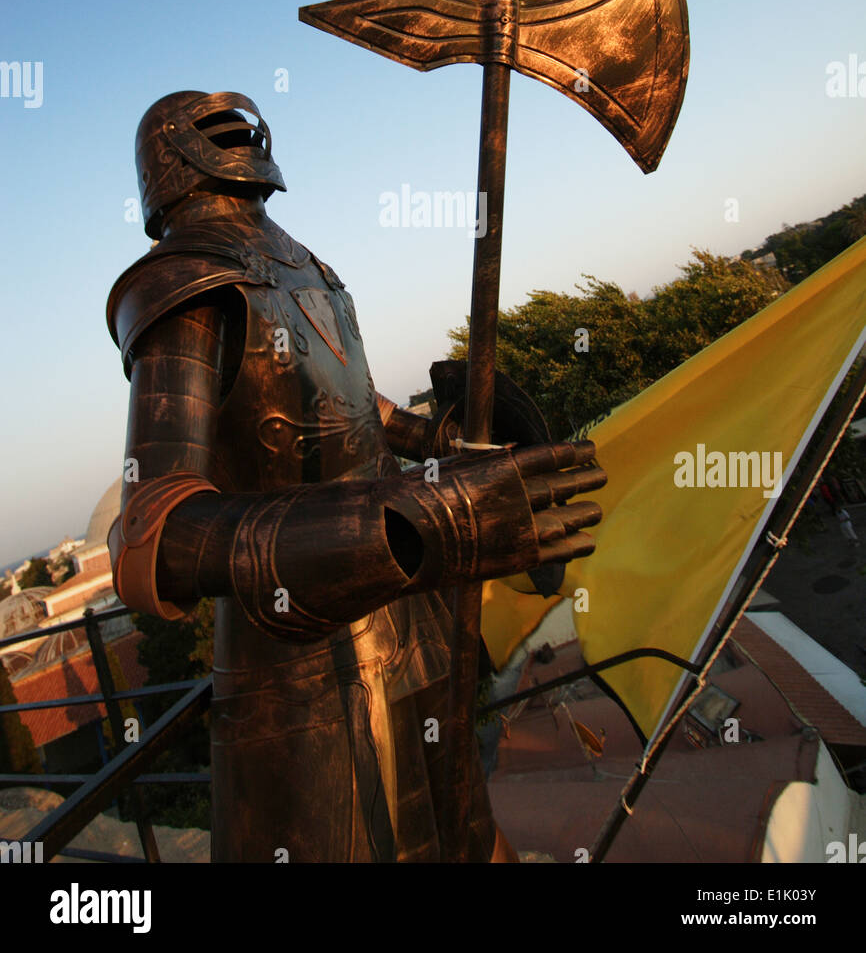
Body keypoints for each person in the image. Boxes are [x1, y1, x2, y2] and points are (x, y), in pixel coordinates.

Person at [106, 89, 605, 862]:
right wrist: (410, 525)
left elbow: (359, 420)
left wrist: (457, 444)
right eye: (217, 125)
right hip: (297, 665)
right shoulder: (181, 284)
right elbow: (154, 537)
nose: (237, 130)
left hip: (412, 626)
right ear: (175, 159)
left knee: (463, 838)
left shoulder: (305, 267)